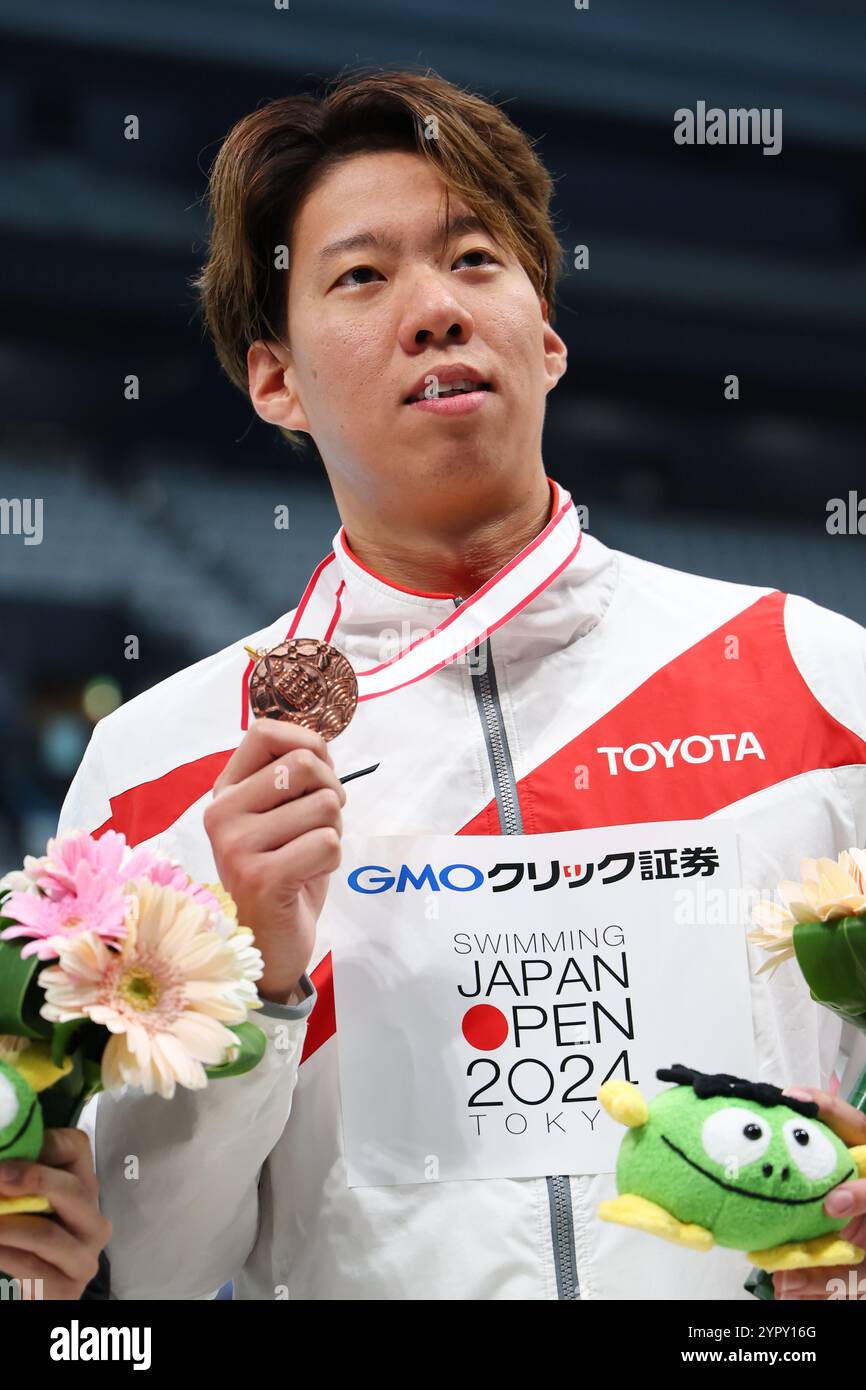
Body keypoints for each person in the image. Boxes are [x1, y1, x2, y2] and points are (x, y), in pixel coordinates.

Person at [4, 67, 865, 1300]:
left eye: (472, 260)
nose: (434, 311)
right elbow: (145, 1277)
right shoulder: (156, 770)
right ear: (274, 380)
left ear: (547, 335)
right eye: (360, 276)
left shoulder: (817, 680)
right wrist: (263, 977)